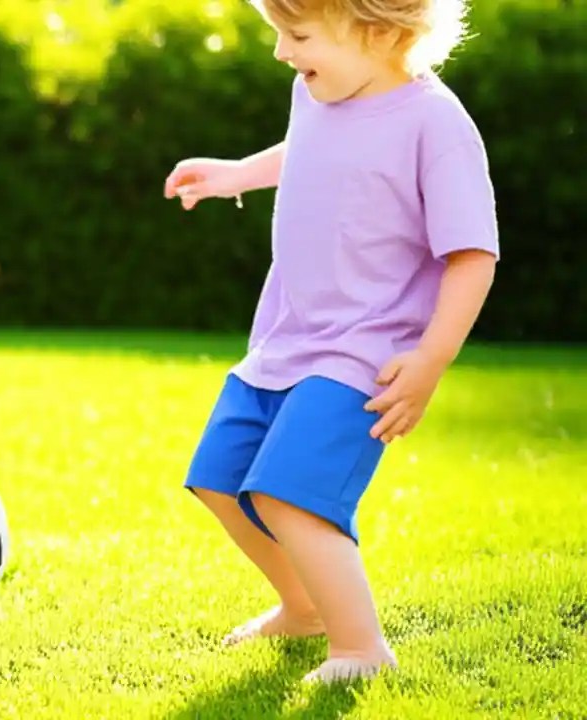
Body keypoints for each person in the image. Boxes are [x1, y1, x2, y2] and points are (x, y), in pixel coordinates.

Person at [164, 0, 499, 683]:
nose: (282, 53)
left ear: (376, 31)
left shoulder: (436, 124)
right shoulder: (315, 91)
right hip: (287, 339)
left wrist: (432, 358)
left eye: (298, 35)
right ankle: (303, 606)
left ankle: (360, 647)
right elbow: (312, 153)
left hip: (366, 353)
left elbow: (473, 254)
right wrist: (236, 173)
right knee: (221, 477)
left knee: (293, 493)